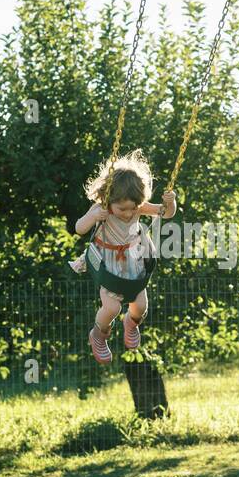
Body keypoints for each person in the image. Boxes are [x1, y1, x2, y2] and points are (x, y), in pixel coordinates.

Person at [72, 149, 176, 364]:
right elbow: (80, 228)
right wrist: (92, 216)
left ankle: (132, 323)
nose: (129, 213)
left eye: (133, 208)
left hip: (134, 261)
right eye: (122, 209)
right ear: (109, 200)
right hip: (108, 265)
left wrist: (170, 201)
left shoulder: (136, 206)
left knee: (140, 306)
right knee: (112, 307)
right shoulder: (102, 207)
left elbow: (165, 212)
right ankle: (98, 335)